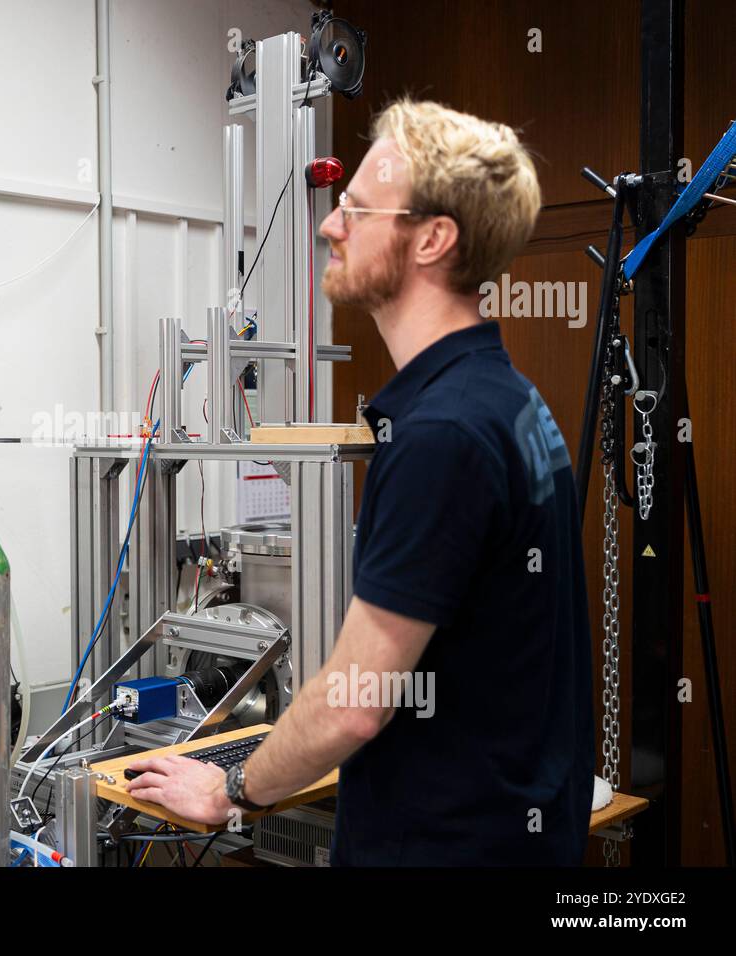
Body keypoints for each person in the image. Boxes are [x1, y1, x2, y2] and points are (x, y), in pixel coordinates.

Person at [126, 98, 593, 865]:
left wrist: (229, 789)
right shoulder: (509, 399)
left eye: (357, 210)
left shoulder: (443, 434)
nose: (329, 226)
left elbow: (353, 708)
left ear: (433, 239)